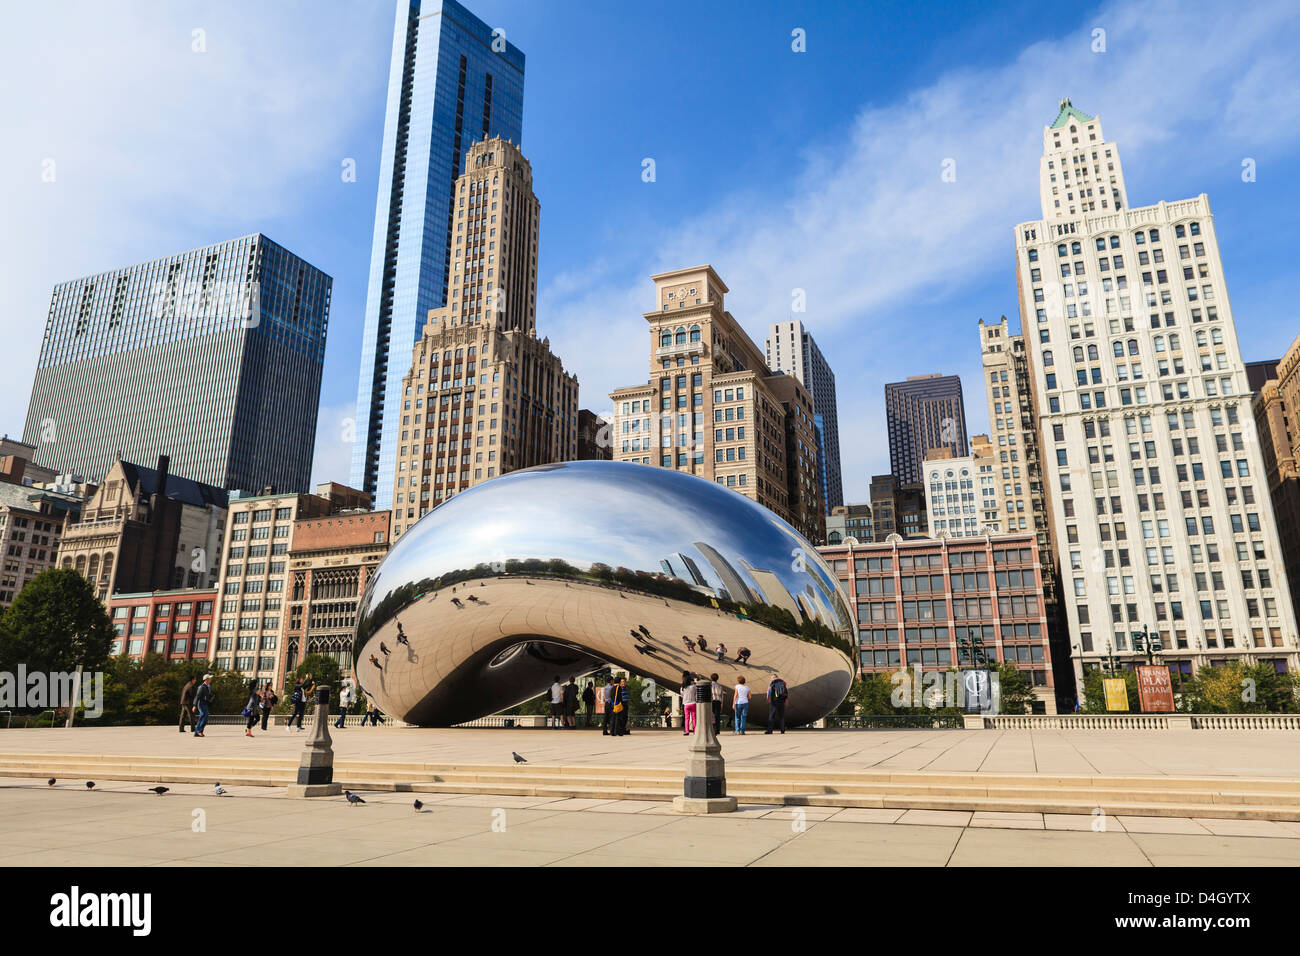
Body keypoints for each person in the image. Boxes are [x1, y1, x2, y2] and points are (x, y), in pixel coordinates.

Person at [681, 671, 697, 736]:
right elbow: (696, 693)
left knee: (687, 718)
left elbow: (682, 695)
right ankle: (695, 731)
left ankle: (687, 731)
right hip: (693, 703)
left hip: (686, 704)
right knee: (694, 718)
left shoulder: (682, 687)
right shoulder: (693, 686)